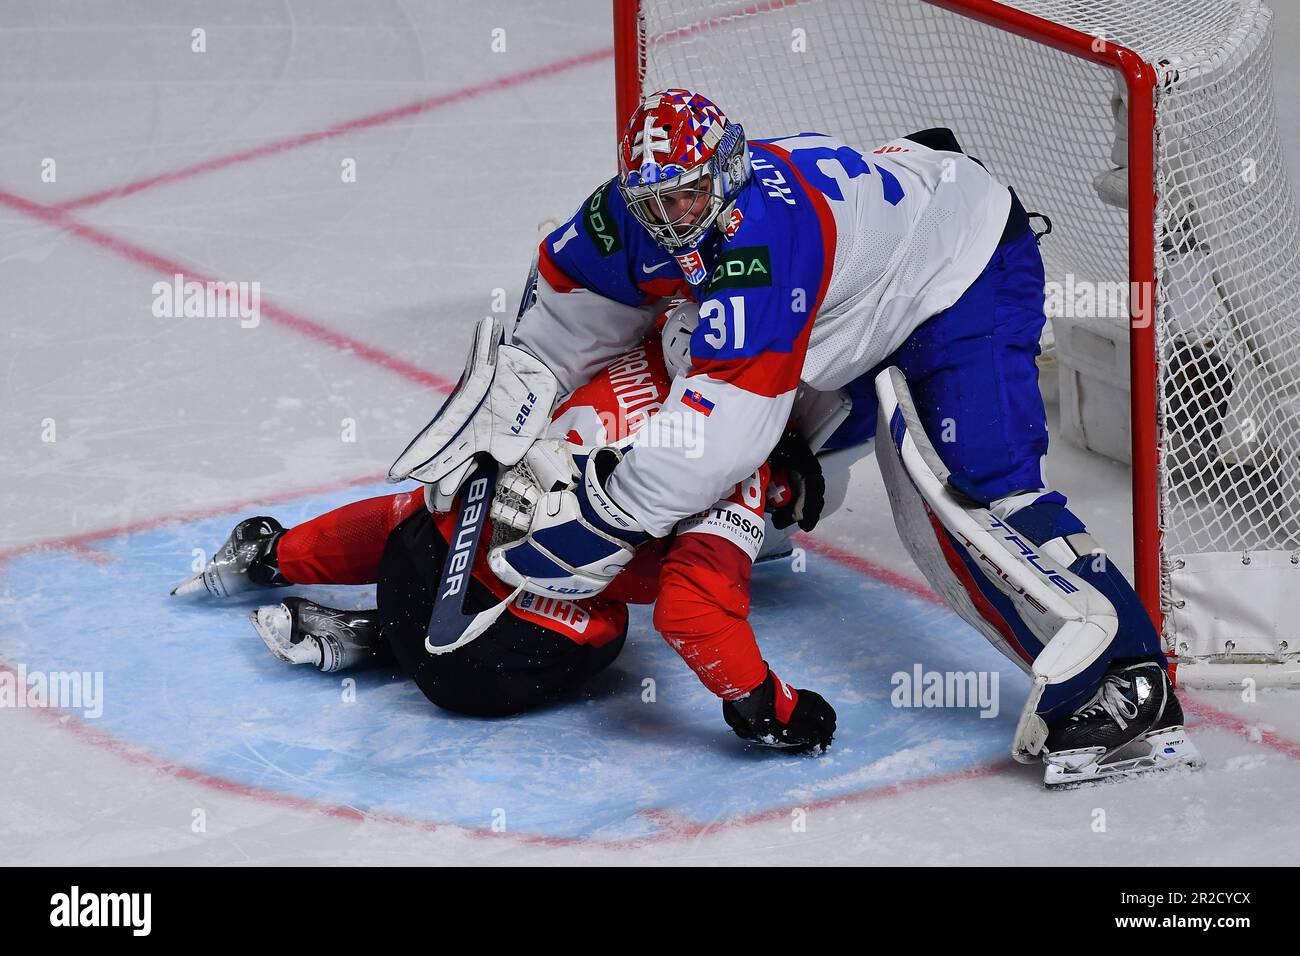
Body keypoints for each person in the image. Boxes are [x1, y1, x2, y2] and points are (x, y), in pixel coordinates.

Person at [389, 87, 1199, 785]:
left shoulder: (760, 243)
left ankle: (1124, 680)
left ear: (729, 171)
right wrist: (515, 398)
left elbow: (724, 428)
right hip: (858, 281)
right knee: (750, 421)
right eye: (655, 203)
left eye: (690, 198)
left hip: (960, 270)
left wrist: (607, 514)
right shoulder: (632, 214)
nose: (673, 218)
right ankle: (764, 506)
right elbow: (564, 324)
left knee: (975, 489)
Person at [172, 330, 837, 753]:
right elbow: (691, 614)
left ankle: (266, 556)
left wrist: (286, 552)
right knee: (607, 622)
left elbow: (427, 497)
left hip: (409, 559)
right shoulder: (733, 459)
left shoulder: (608, 347)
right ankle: (374, 636)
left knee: (455, 496)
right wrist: (768, 709)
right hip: (469, 669)